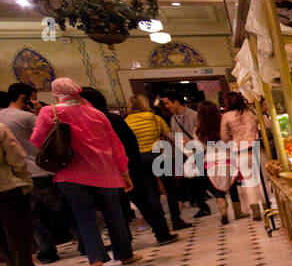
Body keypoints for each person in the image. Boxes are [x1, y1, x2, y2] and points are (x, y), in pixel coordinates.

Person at [30, 78, 137, 266]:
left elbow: (36, 140)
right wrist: (124, 172)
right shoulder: (95, 113)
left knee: (84, 217)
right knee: (114, 215)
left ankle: (95, 260)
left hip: (71, 174)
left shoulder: (50, 112)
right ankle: (125, 254)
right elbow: (116, 145)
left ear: (55, 94)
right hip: (106, 172)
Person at [81, 88, 177, 247]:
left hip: (106, 171)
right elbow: (131, 143)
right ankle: (162, 233)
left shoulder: (96, 121)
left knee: (115, 208)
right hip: (130, 166)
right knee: (145, 201)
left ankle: (123, 241)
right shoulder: (116, 119)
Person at [0, 82, 79, 263]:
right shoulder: (27, 117)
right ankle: (84, 242)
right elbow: (49, 136)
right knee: (64, 209)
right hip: (41, 170)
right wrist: (38, 115)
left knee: (36, 216)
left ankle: (46, 251)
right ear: (24, 97)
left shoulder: (1, 118)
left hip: (21, 176)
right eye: (33, 97)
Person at [126, 93, 191, 230]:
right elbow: (171, 137)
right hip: (159, 156)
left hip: (140, 160)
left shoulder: (126, 122)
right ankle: (176, 220)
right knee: (171, 189)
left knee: (152, 193)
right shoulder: (155, 119)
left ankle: (161, 225)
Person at [0, 120, 39, 266]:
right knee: (18, 230)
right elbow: (15, 156)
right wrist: (23, 177)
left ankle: (12, 265)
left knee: (1, 233)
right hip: (6, 185)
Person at [160, 92, 209, 217]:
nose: (166, 106)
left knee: (199, 178)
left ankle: (210, 201)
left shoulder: (194, 115)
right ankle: (202, 205)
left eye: (167, 103)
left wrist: (191, 141)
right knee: (192, 179)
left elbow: (201, 135)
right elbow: (177, 137)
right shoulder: (173, 119)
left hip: (197, 151)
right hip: (185, 153)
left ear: (176, 101)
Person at [220, 93, 264, 219]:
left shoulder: (227, 116)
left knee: (249, 181)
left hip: (241, 152)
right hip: (257, 148)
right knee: (262, 179)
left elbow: (224, 137)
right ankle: (266, 205)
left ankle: (255, 209)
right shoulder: (250, 113)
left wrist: (233, 140)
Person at [196, 101, 237, 225]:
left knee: (217, 187)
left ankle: (222, 207)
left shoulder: (198, 130)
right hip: (228, 157)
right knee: (232, 183)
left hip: (210, 160)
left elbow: (199, 148)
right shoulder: (224, 123)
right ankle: (238, 210)